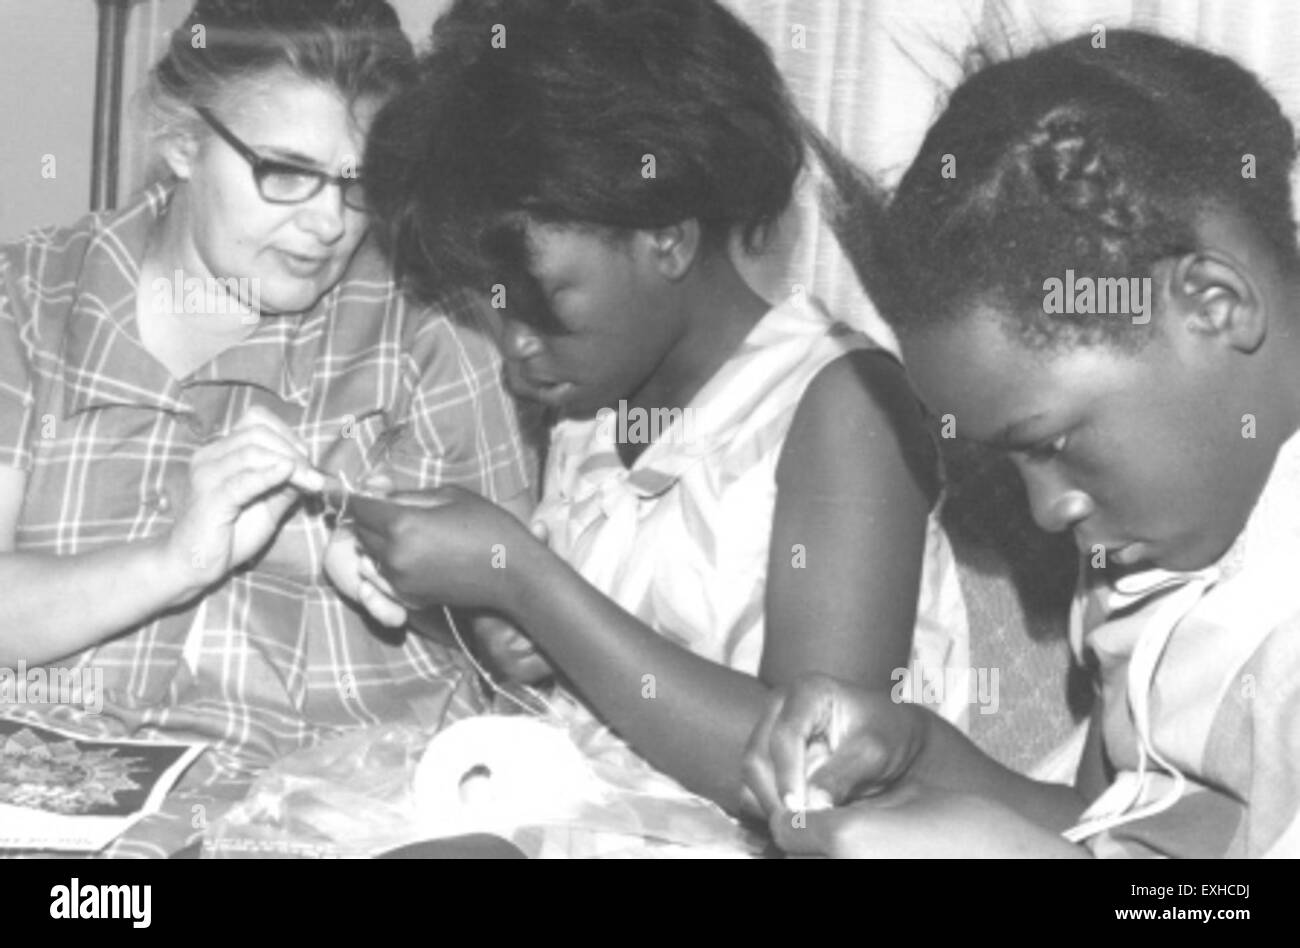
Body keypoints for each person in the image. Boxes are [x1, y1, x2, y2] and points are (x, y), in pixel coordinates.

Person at [352, 0, 971, 846]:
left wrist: (524, 580)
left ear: (667, 240)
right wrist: (497, 622)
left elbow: (809, 774)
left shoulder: (844, 407)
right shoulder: (592, 400)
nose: (514, 347)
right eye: (494, 309)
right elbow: (599, 665)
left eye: (542, 302)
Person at [744, 28, 1300, 858]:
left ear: (1215, 305)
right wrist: (916, 755)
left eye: (1053, 442)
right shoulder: (1165, 537)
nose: (1047, 510)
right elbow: (1120, 828)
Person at [0, 0, 532, 857]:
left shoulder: (432, 336)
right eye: (286, 172)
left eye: (361, 184)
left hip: (340, 823)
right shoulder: (27, 300)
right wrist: (172, 564)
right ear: (181, 141)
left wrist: (405, 576)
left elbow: (517, 642)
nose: (328, 224)